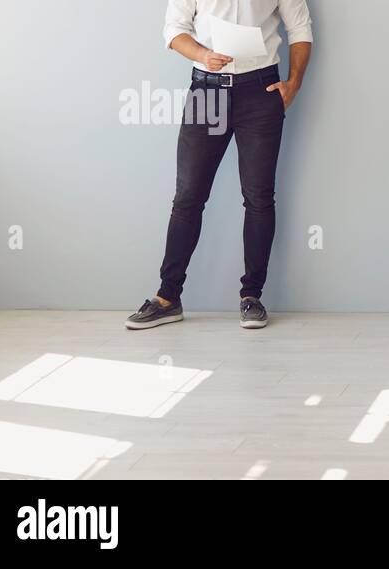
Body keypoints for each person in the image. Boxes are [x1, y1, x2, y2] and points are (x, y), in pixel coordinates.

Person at [127, 0, 313, 331]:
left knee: (258, 196)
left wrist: (294, 82)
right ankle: (168, 297)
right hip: (207, 91)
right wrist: (202, 54)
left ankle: (251, 297)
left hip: (261, 91)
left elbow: (300, 28)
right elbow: (174, 30)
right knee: (188, 197)